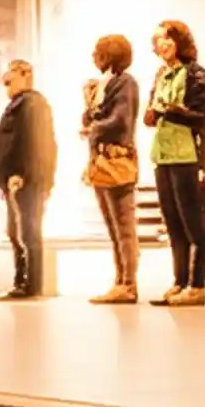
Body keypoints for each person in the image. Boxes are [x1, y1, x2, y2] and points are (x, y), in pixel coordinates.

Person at [144, 20, 205, 307]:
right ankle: (179, 281)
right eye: (159, 40)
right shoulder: (162, 74)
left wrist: (171, 112)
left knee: (194, 225)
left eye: (169, 39)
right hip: (163, 156)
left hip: (186, 157)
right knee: (172, 224)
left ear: (181, 41)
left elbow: (201, 116)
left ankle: (197, 286)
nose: (163, 44)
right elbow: (152, 113)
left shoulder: (197, 74)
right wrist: (153, 114)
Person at [0, 59, 58, 300]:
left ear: (25, 75)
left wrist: (22, 174)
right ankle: (22, 281)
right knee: (16, 231)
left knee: (28, 232)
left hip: (25, 182)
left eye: (10, 78)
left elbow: (35, 144)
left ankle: (32, 284)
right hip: (13, 181)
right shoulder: (19, 105)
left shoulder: (32, 105)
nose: (6, 84)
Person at [80, 35, 141, 304]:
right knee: (113, 225)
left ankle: (128, 282)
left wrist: (95, 127)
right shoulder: (106, 84)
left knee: (124, 226)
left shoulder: (126, 83)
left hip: (116, 161)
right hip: (102, 162)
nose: (93, 56)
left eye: (97, 52)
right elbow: (97, 116)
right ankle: (120, 279)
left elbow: (120, 119)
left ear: (108, 56)